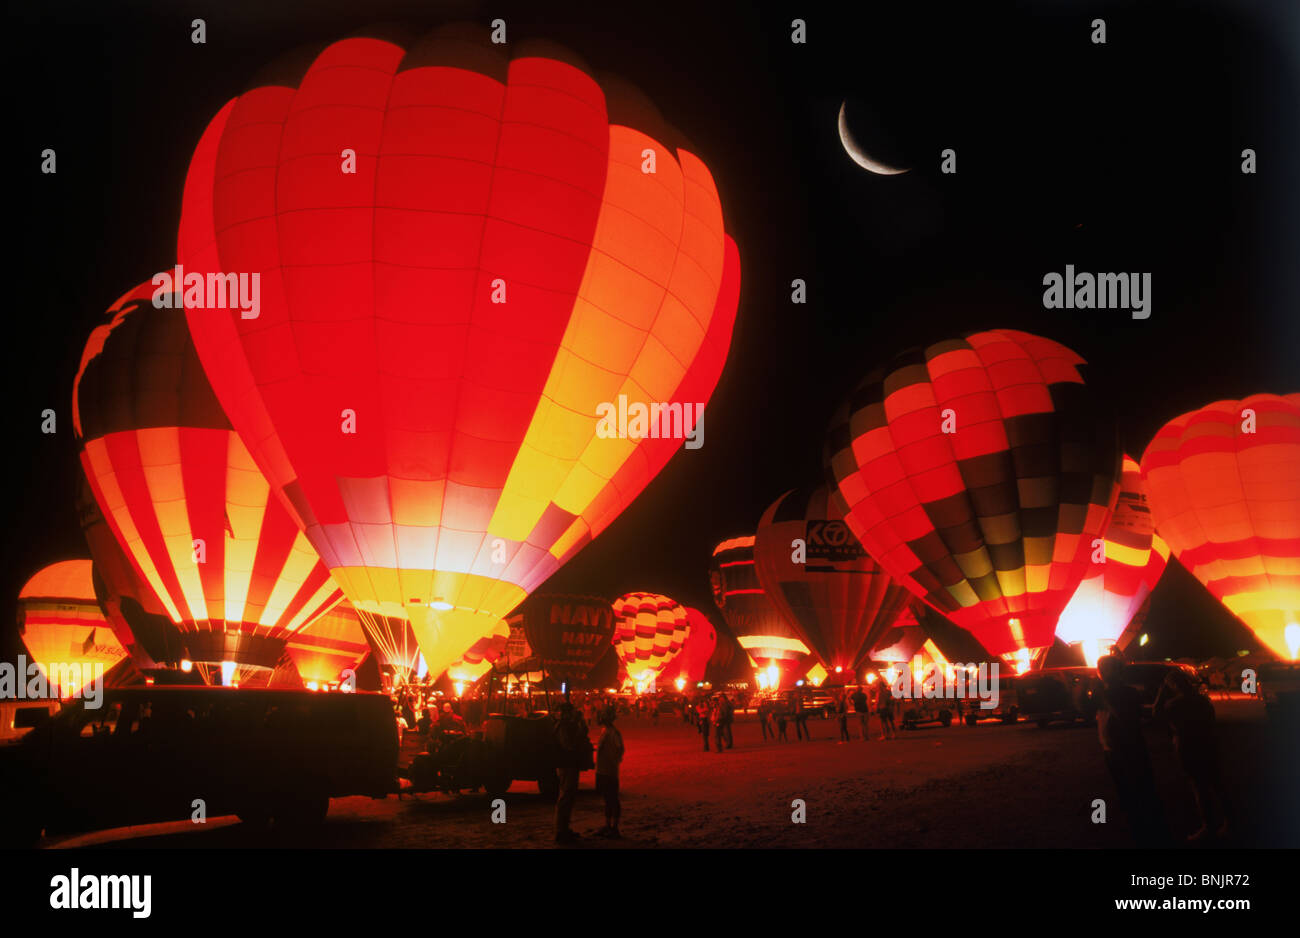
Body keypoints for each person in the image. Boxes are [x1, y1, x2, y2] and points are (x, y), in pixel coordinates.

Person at [1096, 655, 1169, 847]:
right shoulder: (1113, 693)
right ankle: (1146, 827)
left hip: (1124, 748)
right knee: (1134, 789)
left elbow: (1125, 720)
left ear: (1112, 671)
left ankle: (1144, 831)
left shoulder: (1119, 693)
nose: (1099, 672)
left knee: (1134, 789)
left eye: (1102, 669)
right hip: (1118, 748)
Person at [1154, 669, 1231, 841]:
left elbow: (1156, 714)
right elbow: (1212, 720)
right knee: (1218, 784)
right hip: (1209, 744)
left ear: (1172, 686)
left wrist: (1161, 692)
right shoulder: (1202, 700)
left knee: (1199, 787)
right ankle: (1229, 822)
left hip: (1188, 746)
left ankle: (1208, 825)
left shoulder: (1174, 704)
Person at [553, 702, 588, 844]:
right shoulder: (563, 727)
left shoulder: (565, 725)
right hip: (567, 765)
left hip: (569, 764)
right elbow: (569, 745)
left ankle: (564, 828)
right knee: (565, 798)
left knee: (568, 797)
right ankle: (561, 831)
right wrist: (579, 731)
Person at [595, 705, 625, 838]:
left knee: (613, 799)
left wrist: (614, 760)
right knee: (607, 799)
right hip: (602, 769)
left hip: (610, 771)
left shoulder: (613, 733)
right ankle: (608, 825)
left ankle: (615, 827)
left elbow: (620, 749)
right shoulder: (605, 731)